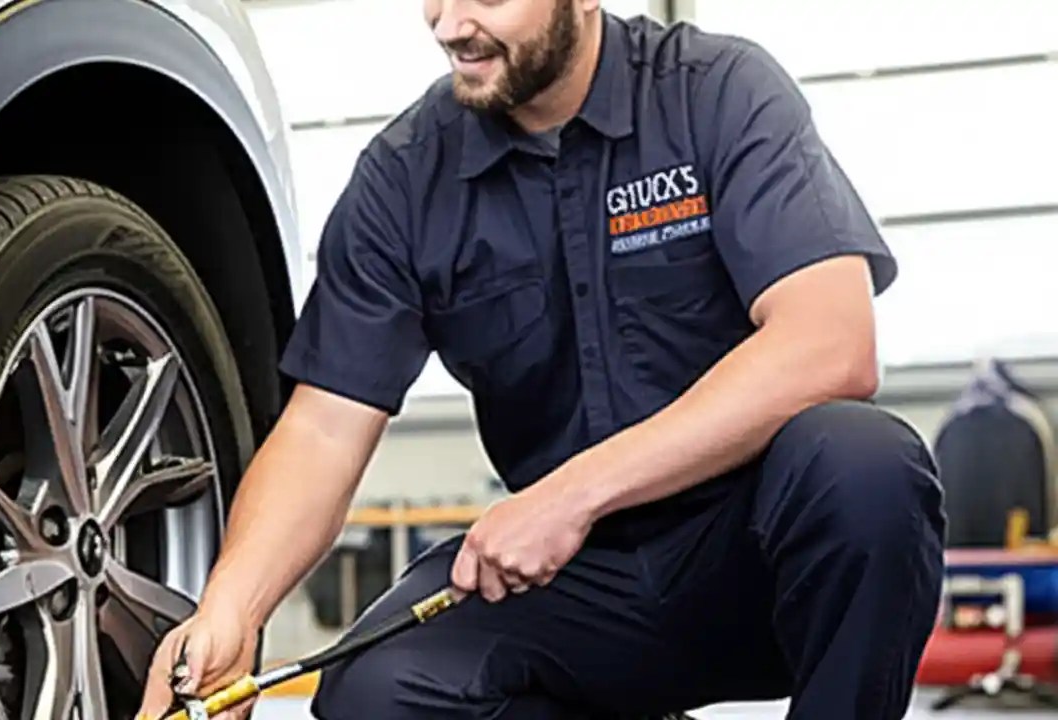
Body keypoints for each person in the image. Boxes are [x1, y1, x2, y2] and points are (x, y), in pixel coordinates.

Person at [136, 1, 948, 718]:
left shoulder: (719, 92)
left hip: (756, 561)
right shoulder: (405, 178)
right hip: (573, 588)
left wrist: (573, 494)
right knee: (375, 695)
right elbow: (322, 427)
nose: (450, 23)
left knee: (865, 465)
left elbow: (830, 344)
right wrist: (231, 612)